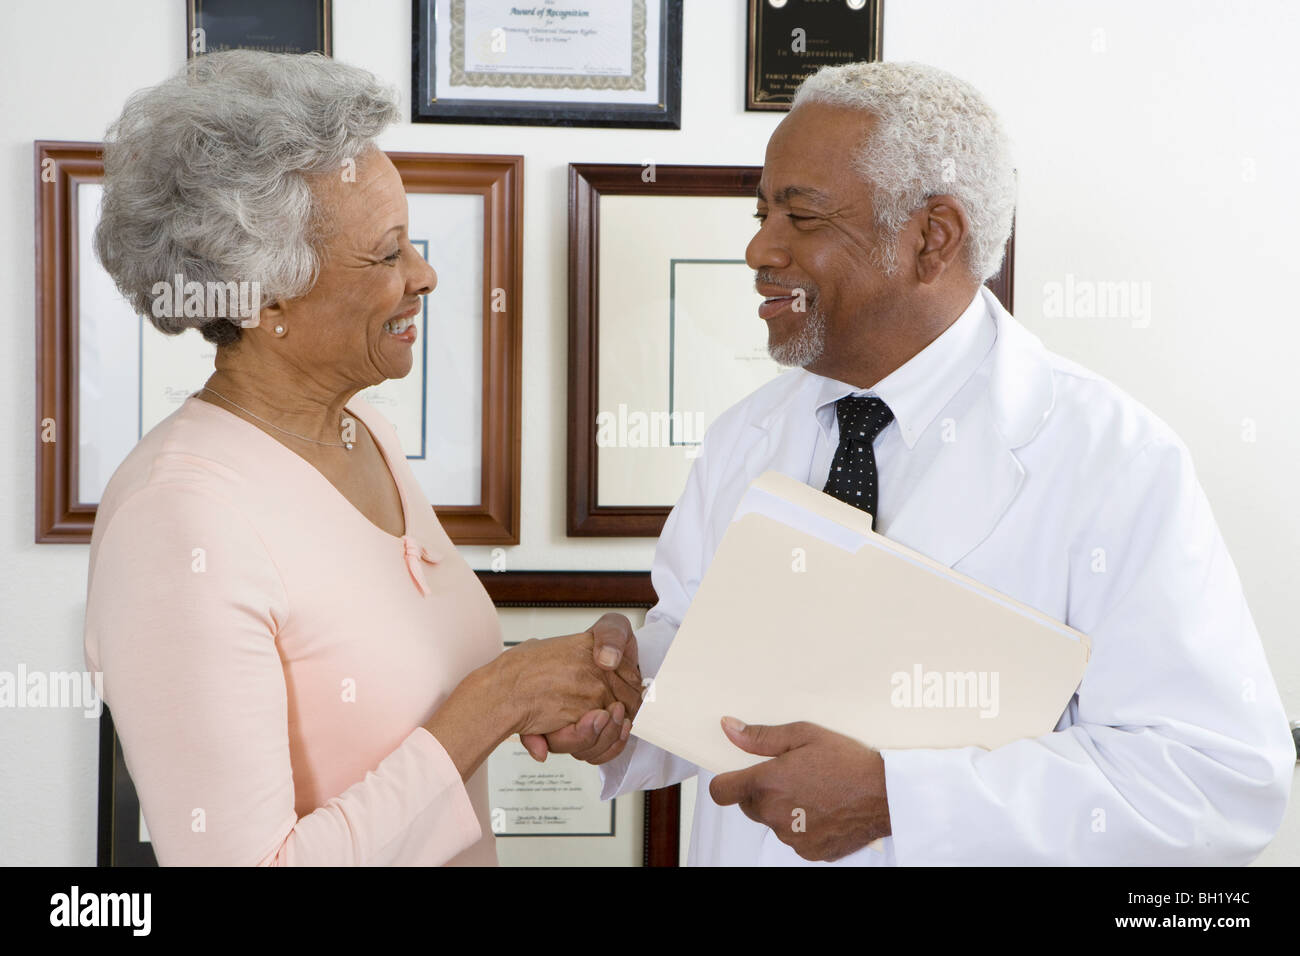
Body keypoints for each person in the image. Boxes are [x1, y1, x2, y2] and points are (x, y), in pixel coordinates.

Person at [530, 60, 1295, 865]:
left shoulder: (1116, 461)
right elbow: (713, 661)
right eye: (762, 214)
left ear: (932, 238)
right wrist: (628, 689)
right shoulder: (741, 439)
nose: (759, 248)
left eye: (803, 218)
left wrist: (902, 798)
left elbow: (1216, 783)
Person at [83, 50, 640, 866]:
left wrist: (555, 691)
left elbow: (394, 703)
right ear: (262, 293)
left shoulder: (363, 433)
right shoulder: (178, 518)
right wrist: (497, 698)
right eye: (386, 256)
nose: (426, 274)